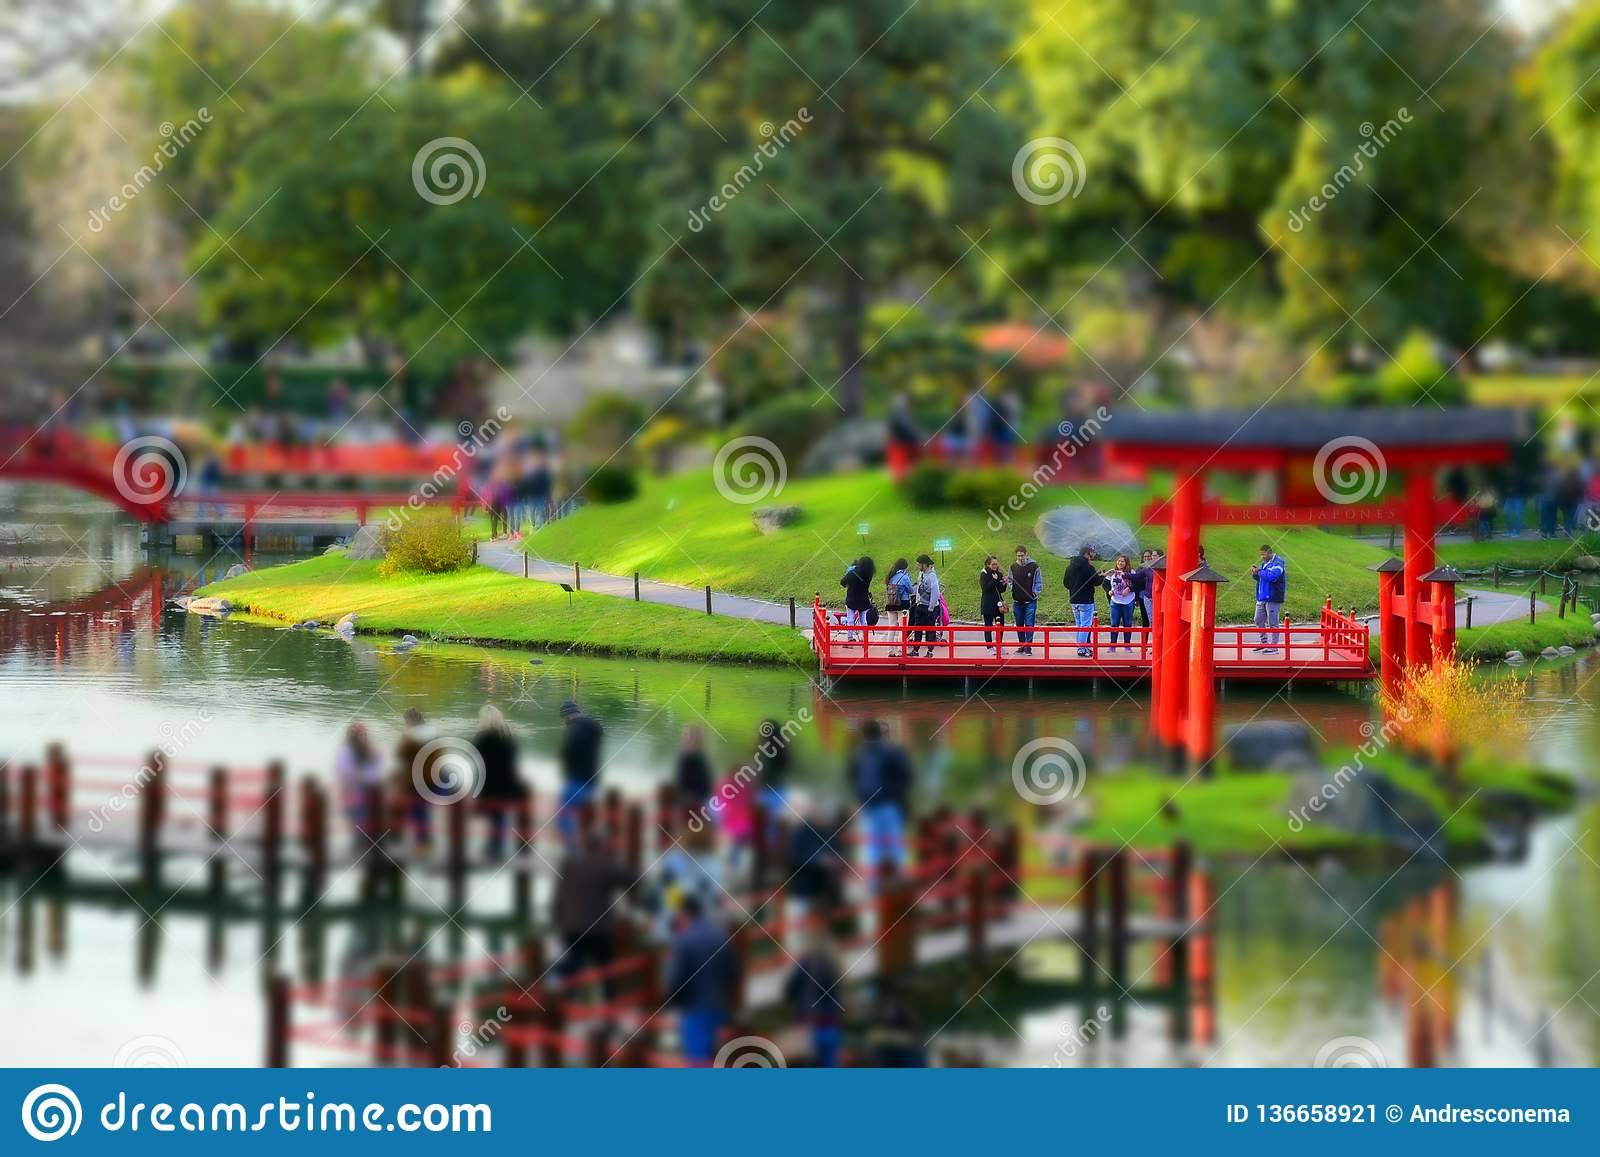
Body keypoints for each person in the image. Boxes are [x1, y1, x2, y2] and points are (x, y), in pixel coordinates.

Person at [552, 827, 635, 991]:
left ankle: (558, 993)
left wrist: (559, 921)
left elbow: (559, 897)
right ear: (602, 845)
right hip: (598, 930)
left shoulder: (570, 865)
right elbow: (632, 878)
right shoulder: (605, 865)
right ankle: (610, 1002)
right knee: (607, 972)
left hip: (572, 927)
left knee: (572, 970)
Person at [665, 894, 740, 1065]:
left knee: (698, 1063)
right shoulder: (721, 935)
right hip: (721, 1008)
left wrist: (671, 1003)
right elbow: (734, 972)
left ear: (684, 914)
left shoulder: (684, 940)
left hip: (695, 1012)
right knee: (724, 1062)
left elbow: (675, 981)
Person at [848, 719, 913, 879]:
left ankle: (877, 881)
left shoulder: (859, 754)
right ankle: (899, 878)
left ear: (863, 735)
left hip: (873, 804)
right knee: (893, 843)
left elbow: (852, 777)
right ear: (880, 734)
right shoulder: (892, 752)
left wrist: (860, 797)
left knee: (875, 845)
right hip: (887, 804)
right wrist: (897, 793)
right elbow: (906, 775)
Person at [472, 704, 527, 857]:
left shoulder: (481, 739)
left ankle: (496, 847)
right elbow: (513, 764)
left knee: (495, 817)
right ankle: (498, 845)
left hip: (489, 786)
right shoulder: (508, 737)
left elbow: (478, 767)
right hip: (508, 785)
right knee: (499, 816)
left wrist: (476, 791)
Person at [784, 933, 845, 1067]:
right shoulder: (834, 964)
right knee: (829, 1063)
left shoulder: (805, 963)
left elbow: (789, 989)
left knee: (807, 1064)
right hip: (830, 1024)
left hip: (807, 1023)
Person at [394, 707, 440, 847]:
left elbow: (400, 756)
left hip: (415, 781)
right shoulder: (433, 735)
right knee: (420, 810)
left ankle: (416, 840)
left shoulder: (409, 737)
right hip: (432, 780)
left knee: (411, 807)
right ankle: (423, 840)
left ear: (408, 722)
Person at [557, 700, 603, 840]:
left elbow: (567, 752)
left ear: (567, 715)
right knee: (584, 814)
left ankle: (572, 846)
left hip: (577, 778)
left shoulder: (574, 729)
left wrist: (563, 758)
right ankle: (588, 842)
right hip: (592, 776)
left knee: (564, 814)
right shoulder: (593, 726)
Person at [334, 722, 384, 842]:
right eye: (359, 735)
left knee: (366, 816)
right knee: (355, 816)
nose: (362, 738)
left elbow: (375, 772)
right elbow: (344, 771)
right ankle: (359, 838)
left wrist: (364, 777)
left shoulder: (372, 751)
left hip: (368, 790)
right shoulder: (345, 751)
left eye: (363, 735)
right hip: (352, 790)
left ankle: (364, 839)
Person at [1063, 546, 1103, 658]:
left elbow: (1066, 583)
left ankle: (1082, 647)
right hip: (1086, 600)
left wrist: (1073, 587)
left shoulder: (1070, 567)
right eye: (1092, 553)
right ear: (1087, 553)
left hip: (1074, 599)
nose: (1093, 555)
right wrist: (1102, 576)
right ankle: (1081, 649)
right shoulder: (1088, 567)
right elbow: (1097, 582)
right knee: (1085, 625)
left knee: (1079, 625)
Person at [1252, 544, 1287, 653]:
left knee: (1273, 622)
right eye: (1261, 554)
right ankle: (1264, 642)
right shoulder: (1264, 563)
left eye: (1263, 554)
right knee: (1258, 619)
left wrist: (1259, 571)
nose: (1262, 557)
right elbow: (1262, 577)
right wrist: (1255, 574)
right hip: (1262, 596)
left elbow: (1273, 576)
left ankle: (1274, 647)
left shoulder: (1278, 563)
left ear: (1270, 553)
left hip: (1273, 597)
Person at [1010, 545, 1042, 655]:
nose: (1020, 558)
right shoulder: (1013, 567)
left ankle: (1028, 647)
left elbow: (1038, 582)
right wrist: (1012, 588)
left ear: (1026, 554)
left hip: (1030, 602)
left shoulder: (1034, 566)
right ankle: (1022, 645)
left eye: (1022, 555)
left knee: (1029, 624)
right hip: (1017, 601)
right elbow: (1010, 580)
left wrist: (1035, 593)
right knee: (1019, 625)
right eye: (1018, 556)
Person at [674, 725, 714, 813]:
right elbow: (682, 782)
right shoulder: (688, 757)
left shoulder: (697, 757)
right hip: (692, 800)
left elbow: (705, 782)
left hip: (699, 799)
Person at [908, 554, 941, 659]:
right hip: (920, 604)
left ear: (925, 564)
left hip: (930, 606)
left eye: (919, 564)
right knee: (917, 628)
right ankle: (915, 649)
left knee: (930, 629)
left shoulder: (932, 576)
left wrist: (931, 607)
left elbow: (935, 592)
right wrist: (917, 601)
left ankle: (930, 651)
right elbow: (918, 588)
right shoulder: (921, 574)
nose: (918, 566)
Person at [1103, 553, 1137, 651]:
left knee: (1127, 623)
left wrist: (1129, 589)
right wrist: (1109, 591)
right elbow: (1105, 584)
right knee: (1114, 624)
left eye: (1122, 561)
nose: (1120, 563)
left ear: (1126, 563)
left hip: (1128, 602)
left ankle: (1127, 646)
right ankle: (1112, 645)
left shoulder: (1131, 572)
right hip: (1115, 602)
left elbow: (1137, 584)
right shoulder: (1112, 572)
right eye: (1118, 561)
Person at [839, 556, 877, 643]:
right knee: (863, 620)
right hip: (864, 600)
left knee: (850, 619)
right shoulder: (869, 575)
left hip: (851, 599)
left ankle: (850, 637)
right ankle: (865, 638)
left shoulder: (852, 572)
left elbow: (842, 583)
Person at [978, 554, 1008, 655]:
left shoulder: (999, 574)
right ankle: (989, 647)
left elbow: (1001, 590)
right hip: (988, 604)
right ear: (988, 564)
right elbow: (985, 587)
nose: (995, 566)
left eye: (996, 564)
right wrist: (994, 580)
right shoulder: (984, 573)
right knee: (988, 626)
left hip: (998, 604)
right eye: (993, 564)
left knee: (1001, 626)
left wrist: (1004, 583)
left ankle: (999, 645)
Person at [883, 558, 914, 656]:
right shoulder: (905, 577)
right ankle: (901, 650)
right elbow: (911, 590)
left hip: (890, 604)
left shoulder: (890, 576)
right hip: (903, 604)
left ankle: (890, 650)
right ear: (905, 567)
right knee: (903, 628)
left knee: (891, 627)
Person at [1132, 550, 1158, 629]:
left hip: (1155, 595)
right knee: (1145, 617)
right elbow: (1135, 584)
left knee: (1155, 617)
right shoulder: (1139, 569)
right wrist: (1136, 599)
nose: (1147, 558)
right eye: (1145, 556)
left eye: (1148, 556)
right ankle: (1144, 636)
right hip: (1143, 595)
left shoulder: (1155, 568)